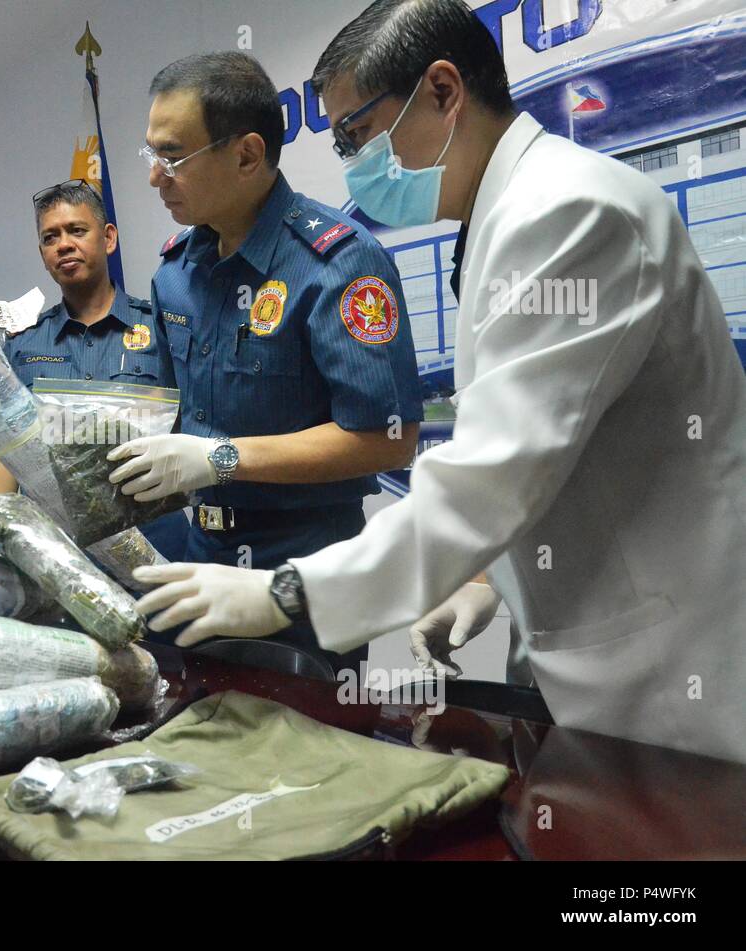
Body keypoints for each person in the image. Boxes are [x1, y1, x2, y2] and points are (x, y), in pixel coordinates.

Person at [132, 0, 746, 763]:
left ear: (444, 92)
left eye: (356, 133)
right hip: (581, 641)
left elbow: (487, 473)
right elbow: (547, 443)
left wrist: (285, 592)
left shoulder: (566, 213)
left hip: (661, 673)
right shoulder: (504, 218)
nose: (354, 162)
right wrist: (486, 578)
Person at [108, 52, 424, 669]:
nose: (155, 177)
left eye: (172, 157)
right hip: (197, 552)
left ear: (248, 154)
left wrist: (221, 458)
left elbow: (388, 441)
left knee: (301, 752)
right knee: (192, 739)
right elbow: (170, 416)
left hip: (302, 568)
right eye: (152, 156)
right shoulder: (176, 271)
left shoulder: (335, 262)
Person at [0, 179, 189, 560]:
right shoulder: (24, 342)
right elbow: (6, 448)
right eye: (50, 237)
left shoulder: (162, 329)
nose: (63, 244)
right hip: (59, 549)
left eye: (77, 230)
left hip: (157, 543)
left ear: (108, 238)